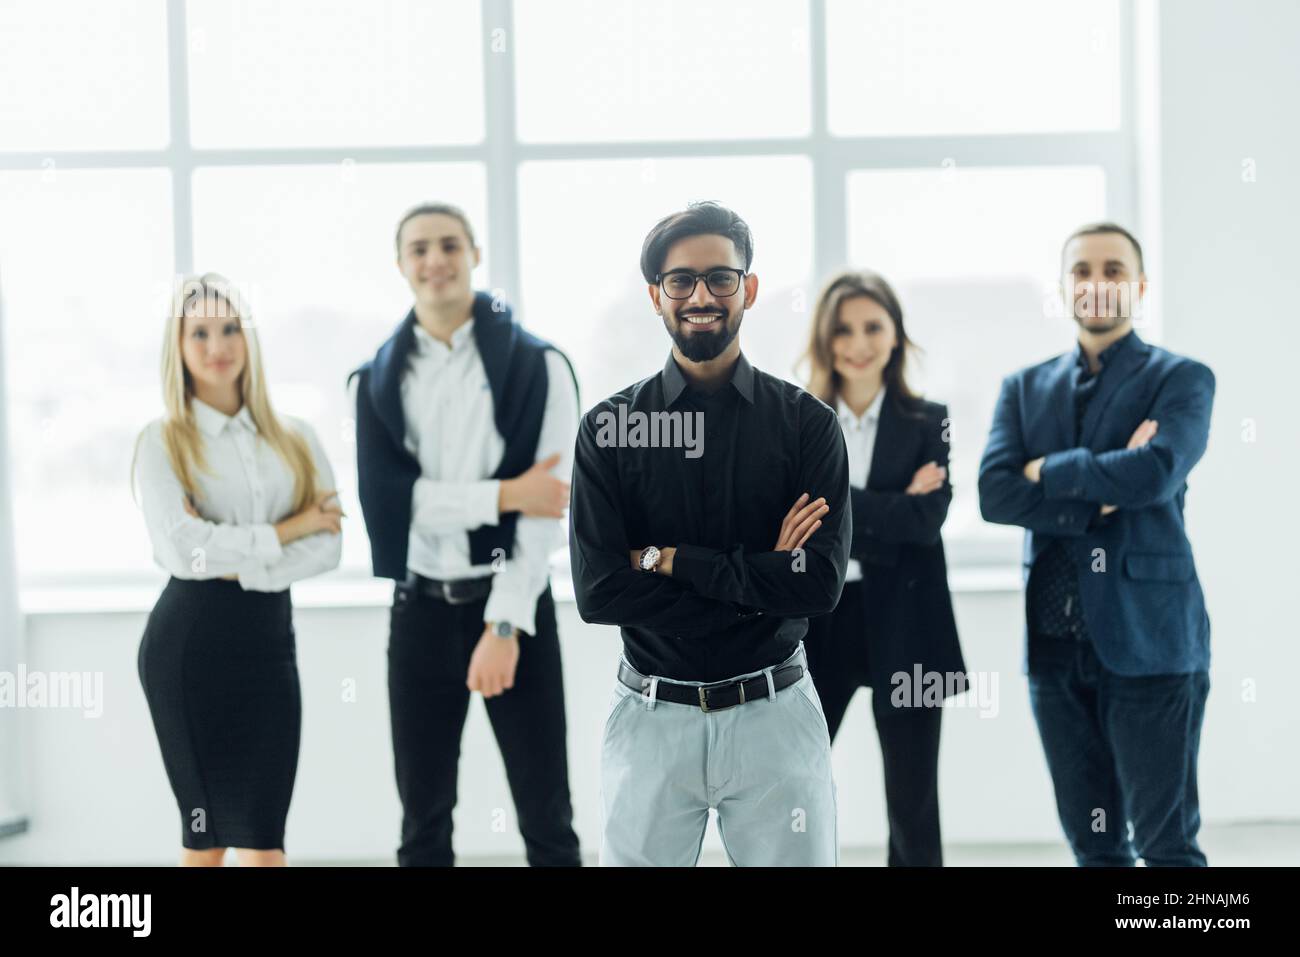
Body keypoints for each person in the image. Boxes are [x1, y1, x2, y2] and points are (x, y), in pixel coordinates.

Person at [569, 201, 851, 867]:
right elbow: (601, 593)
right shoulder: (609, 429)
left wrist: (668, 560)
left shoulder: (807, 425)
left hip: (774, 714)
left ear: (748, 288)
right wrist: (760, 576)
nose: (701, 295)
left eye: (720, 277)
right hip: (650, 718)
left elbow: (817, 586)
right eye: (681, 280)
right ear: (655, 296)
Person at [351, 202, 582, 867]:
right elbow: (391, 506)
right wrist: (503, 494)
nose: (435, 260)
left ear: (475, 254)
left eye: (449, 244)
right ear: (401, 265)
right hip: (418, 611)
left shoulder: (540, 366)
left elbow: (547, 510)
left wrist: (504, 624)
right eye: (419, 248)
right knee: (423, 823)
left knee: (547, 817)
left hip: (513, 605)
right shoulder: (374, 381)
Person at [977, 222, 1215, 866]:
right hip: (1054, 655)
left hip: (1151, 645)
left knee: (1167, 845)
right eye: (1083, 270)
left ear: (1138, 285)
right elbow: (995, 494)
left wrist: (1047, 471)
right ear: (1065, 287)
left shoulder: (1182, 378)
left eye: (1114, 270)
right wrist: (1106, 486)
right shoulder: (1023, 389)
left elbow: (1158, 470)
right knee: (1094, 846)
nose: (1098, 283)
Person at [133, 272, 343, 866]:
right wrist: (287, 529)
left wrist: (233, 558)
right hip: (188, 649)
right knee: (207, 840)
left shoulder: (295, 438)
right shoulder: (162, 441)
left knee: (265, 838)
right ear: (178, 348)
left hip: (269, 648)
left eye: (230, 328)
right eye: (198, 332)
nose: (217, 345)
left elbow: (328, 550)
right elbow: (181, 551)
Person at [800, 269, 966, 866]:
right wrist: (891, 510)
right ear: (824, 337)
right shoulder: (798, 419)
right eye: (843, 329)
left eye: (873, 326)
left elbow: (927, 522)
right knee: (796, 781)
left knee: (913, 797)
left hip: (910, 621)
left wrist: (839, 510)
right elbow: (793, 525)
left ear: (896, 334)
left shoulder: (932, 420)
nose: (858, 342)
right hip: (820, 621)